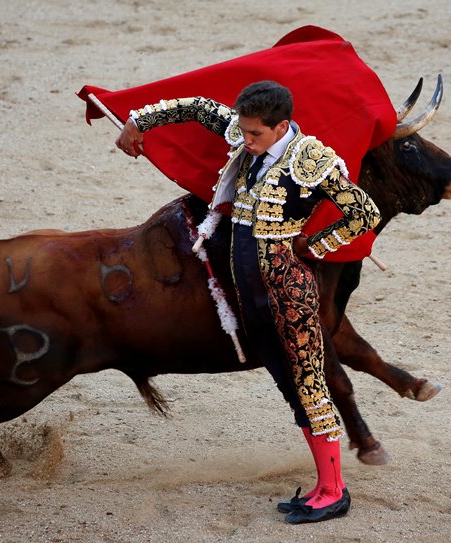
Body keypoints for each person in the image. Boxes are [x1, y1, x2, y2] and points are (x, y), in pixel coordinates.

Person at [116, 81, 380, 524]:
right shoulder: (247, 134)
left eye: (256, 134)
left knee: (308, 386)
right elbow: (200, 107)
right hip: (250, 291)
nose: (247, 141)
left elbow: (364, 212)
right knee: (288, 385)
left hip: (286, 294)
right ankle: (324, 485)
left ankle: (335, 490)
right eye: (244, 131)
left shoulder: (312, 161)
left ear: (281, 127)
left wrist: (315, 246)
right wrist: (139, 120)